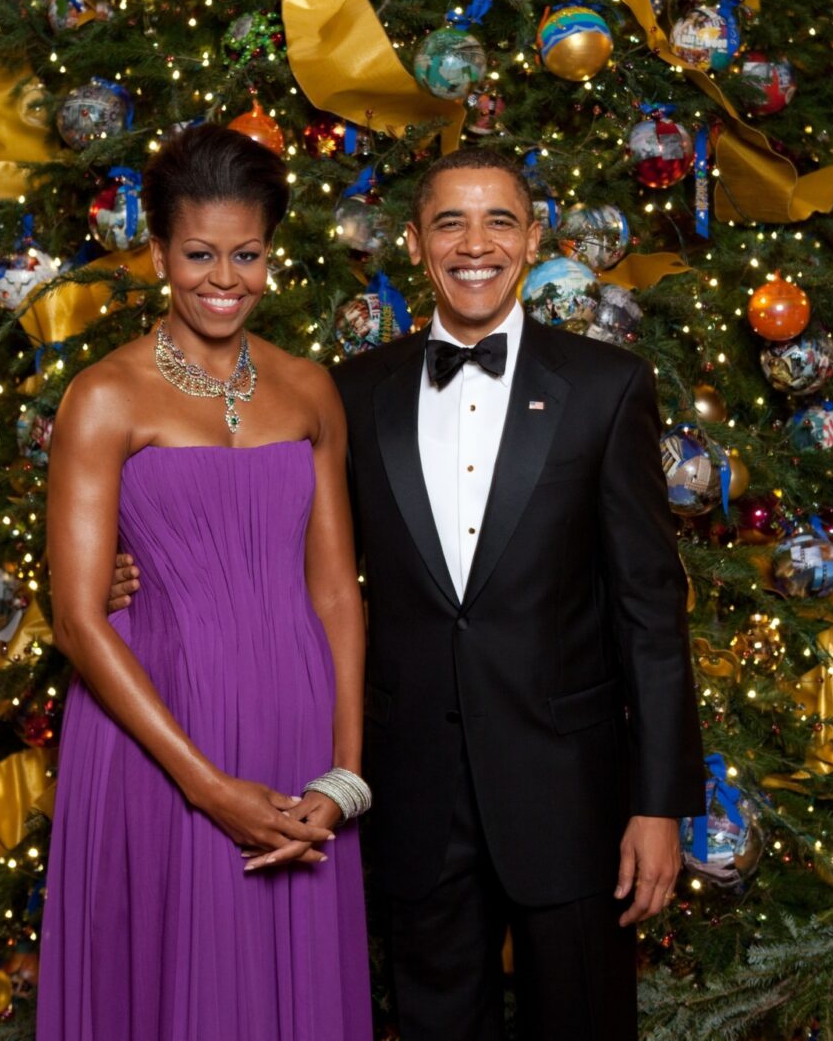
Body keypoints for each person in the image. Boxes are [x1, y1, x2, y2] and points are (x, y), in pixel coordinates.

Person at [109, 145, 706, 1040]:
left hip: (569, 799)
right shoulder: (350, 393)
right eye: (449, 222)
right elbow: (283, 552)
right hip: (413, 795)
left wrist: (659, 805)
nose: (476, 243)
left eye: (500, 220)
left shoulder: (605, 388)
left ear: (534, 238)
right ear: (417, 243)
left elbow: (651, 612)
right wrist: (121, 576)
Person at [38, 124, 372, 1041]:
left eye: (247, 254)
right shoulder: (104, 396)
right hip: (161, 737)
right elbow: (76, 616)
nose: (224, 279)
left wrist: (345, 774)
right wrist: (205, 785)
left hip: (298, 731)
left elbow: (339, 592)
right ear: (157, 255)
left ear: (271, 254)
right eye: (198, 254)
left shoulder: (310, 390)